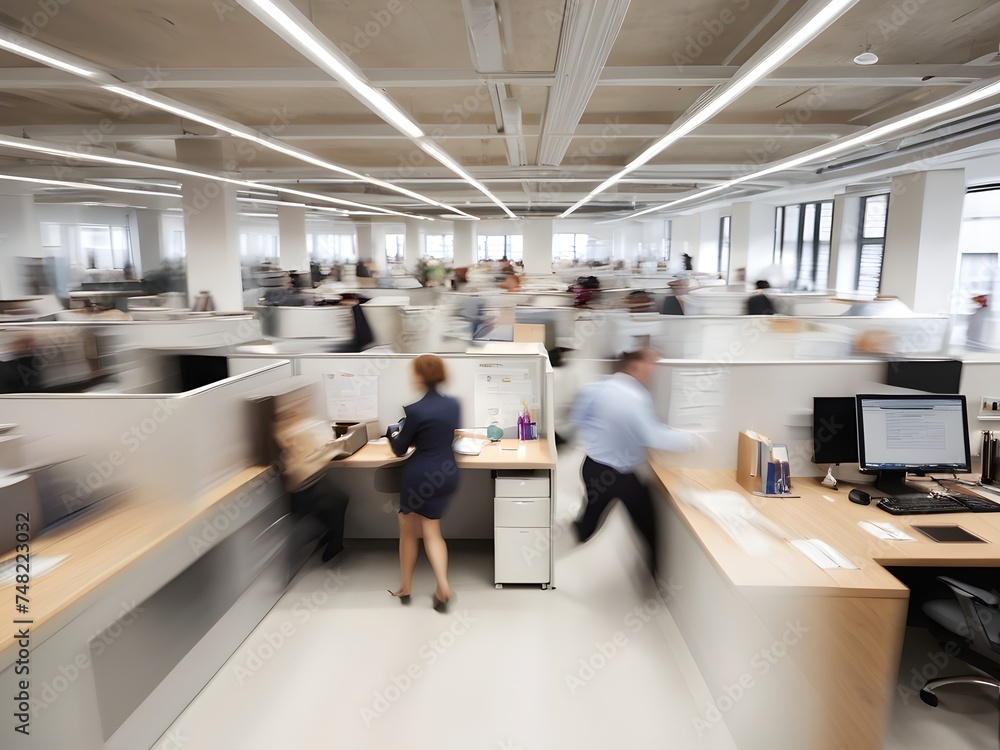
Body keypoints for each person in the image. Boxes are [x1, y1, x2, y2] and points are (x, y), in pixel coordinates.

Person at [571, 348, 704, 580]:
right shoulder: (634, 396)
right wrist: (694, 440)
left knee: (590, 518)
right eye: (650, 365)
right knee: (648, 524)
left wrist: (602, 437)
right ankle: (655, 578)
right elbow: (654, 437)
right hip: (620, 476)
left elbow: (578, 418)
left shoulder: (596, 387)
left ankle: (578, 533)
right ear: (635, 366)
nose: (652, 372)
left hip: (591, 466)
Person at [387, 355, 461, 611]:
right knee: (432, 531)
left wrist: (392, 432)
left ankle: (406, 586)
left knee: (408, 530)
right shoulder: (453, 405)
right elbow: (446, 433)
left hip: (420, 476)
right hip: (447, 473)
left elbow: (399, 449)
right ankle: (442, 585)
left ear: (419, 376)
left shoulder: (414, 410)